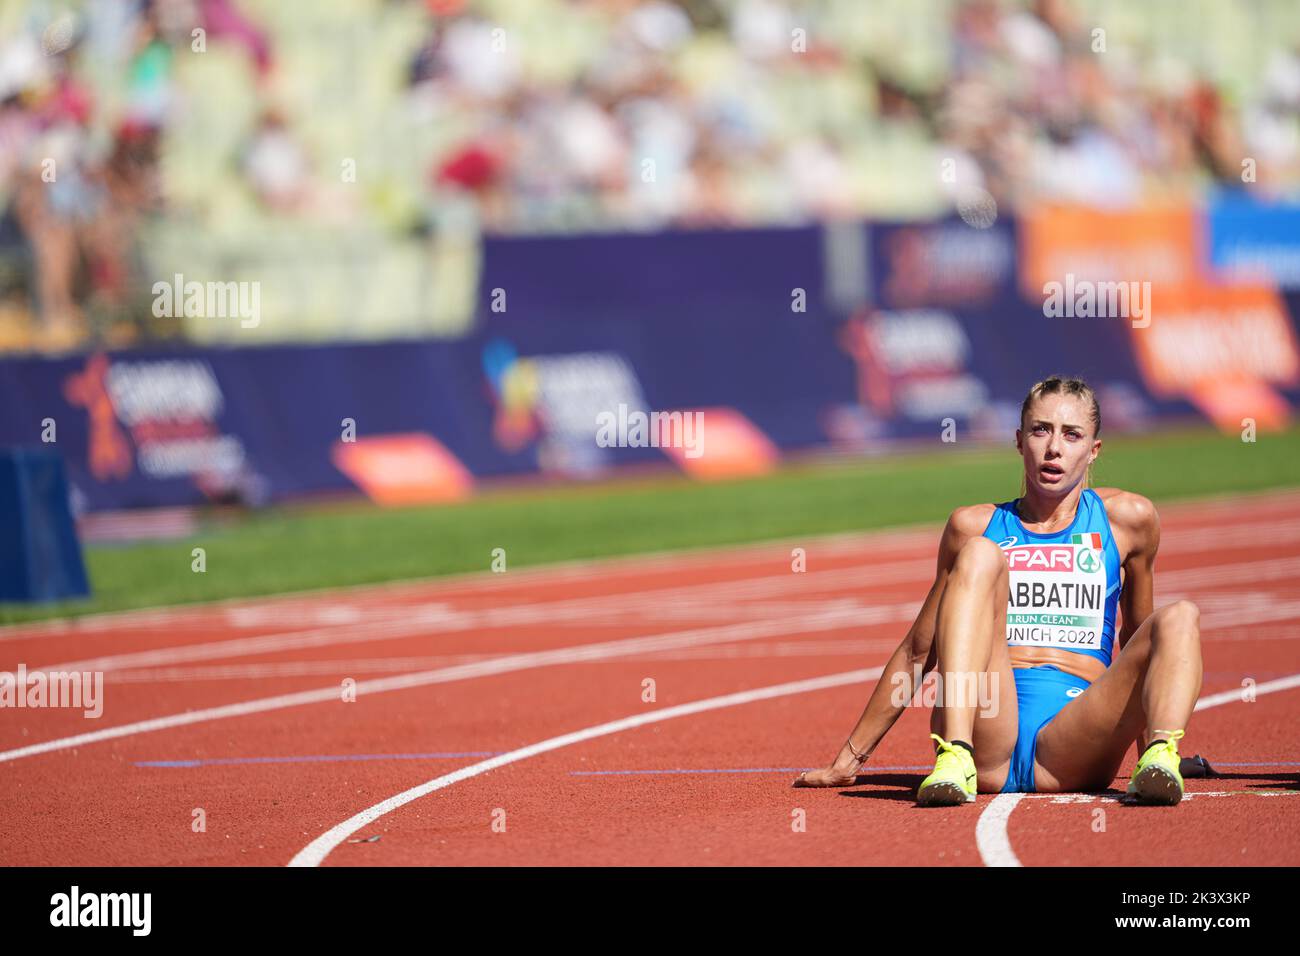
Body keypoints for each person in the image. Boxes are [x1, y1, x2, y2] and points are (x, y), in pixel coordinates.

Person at [794, 376, 1202, 805]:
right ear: (1018, 440)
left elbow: (1141, 643)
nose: (1054, 448)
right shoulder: (973, 526)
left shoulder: (1129, 520)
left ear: (1093, 449)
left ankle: (1161, 757)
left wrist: (1147, 742)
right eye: (1040, 430)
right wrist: (851, 759)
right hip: (989, 722)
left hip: (1078, 738)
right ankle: (955, 756)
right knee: (980, 555)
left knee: (1181, 617)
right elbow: (919, 650)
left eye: (1072, 434)